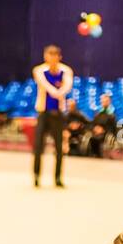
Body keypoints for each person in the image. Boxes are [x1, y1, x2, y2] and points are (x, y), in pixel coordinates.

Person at [31, 44, 73, 188]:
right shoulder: (39, 70)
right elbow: (45, 85)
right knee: (38, 146)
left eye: (55, 55)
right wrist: (56, 91)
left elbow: (67, 86)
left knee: (59, 148)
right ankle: (36, 176)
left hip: (58, 114)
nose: (53, 58)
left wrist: (58, 92)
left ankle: (58, 178)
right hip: (43, 113)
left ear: (59, 57)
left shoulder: (66, 71)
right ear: (45, 57)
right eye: (50, 55)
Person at [86, 92, 117, 157]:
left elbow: (113, 128)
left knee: (98, 139)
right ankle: (93, 154)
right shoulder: (98, 113)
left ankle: (99, 155)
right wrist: (94, 128)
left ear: (109, 102)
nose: (104, 102)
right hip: (95, 132)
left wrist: (103, 130)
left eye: (106, 101)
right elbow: (92, 124)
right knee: (92, 138)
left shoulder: (112, 115)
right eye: (102, 100)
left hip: (105, 134)